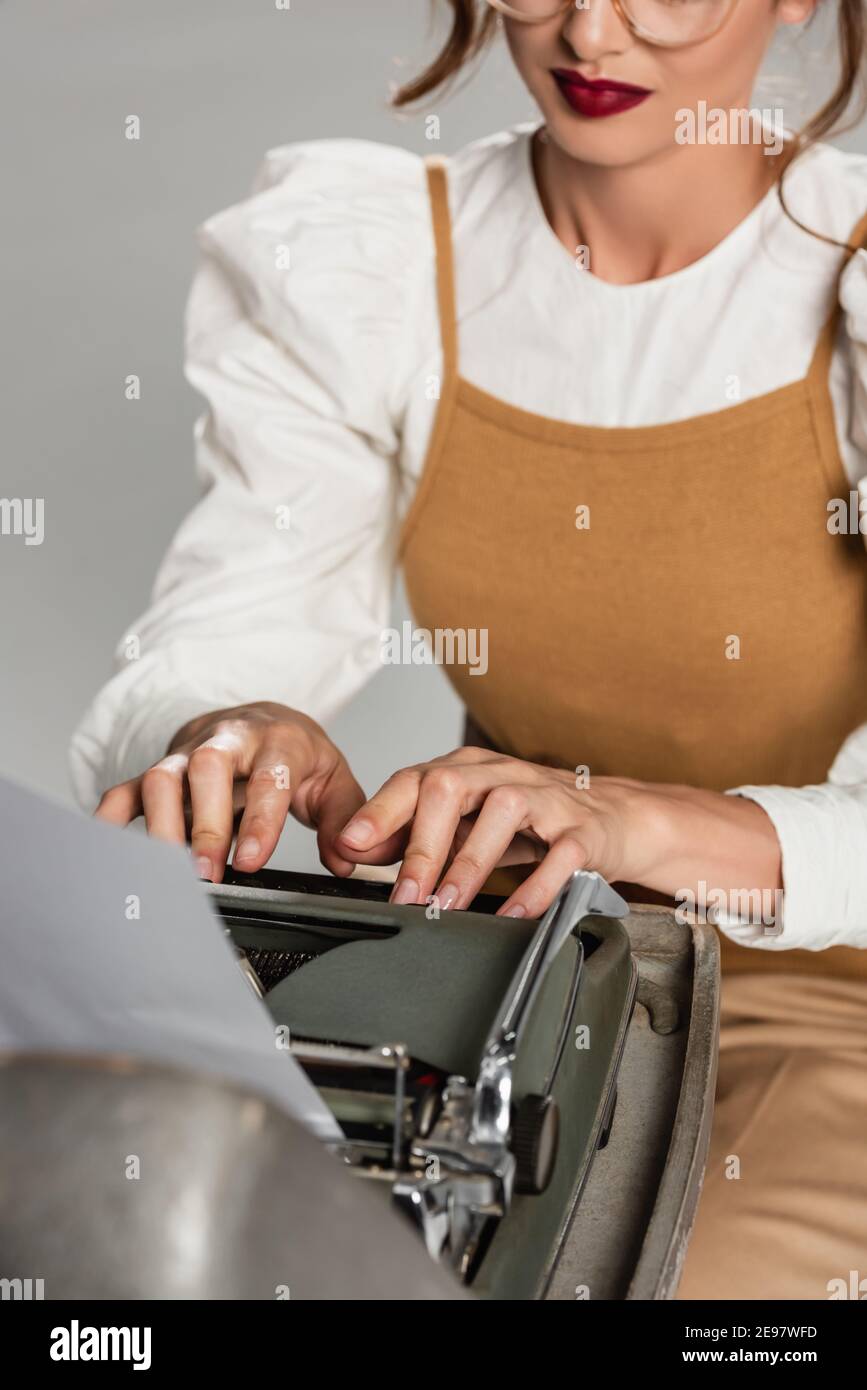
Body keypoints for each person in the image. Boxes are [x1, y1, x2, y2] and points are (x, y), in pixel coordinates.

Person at [72, 0, 867, 1298]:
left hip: (834, 1007)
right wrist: (231, 731)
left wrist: (617, 822)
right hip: (494, 982)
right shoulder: (376, 259)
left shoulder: (850, 280)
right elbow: (224, 626)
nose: (590, 31)